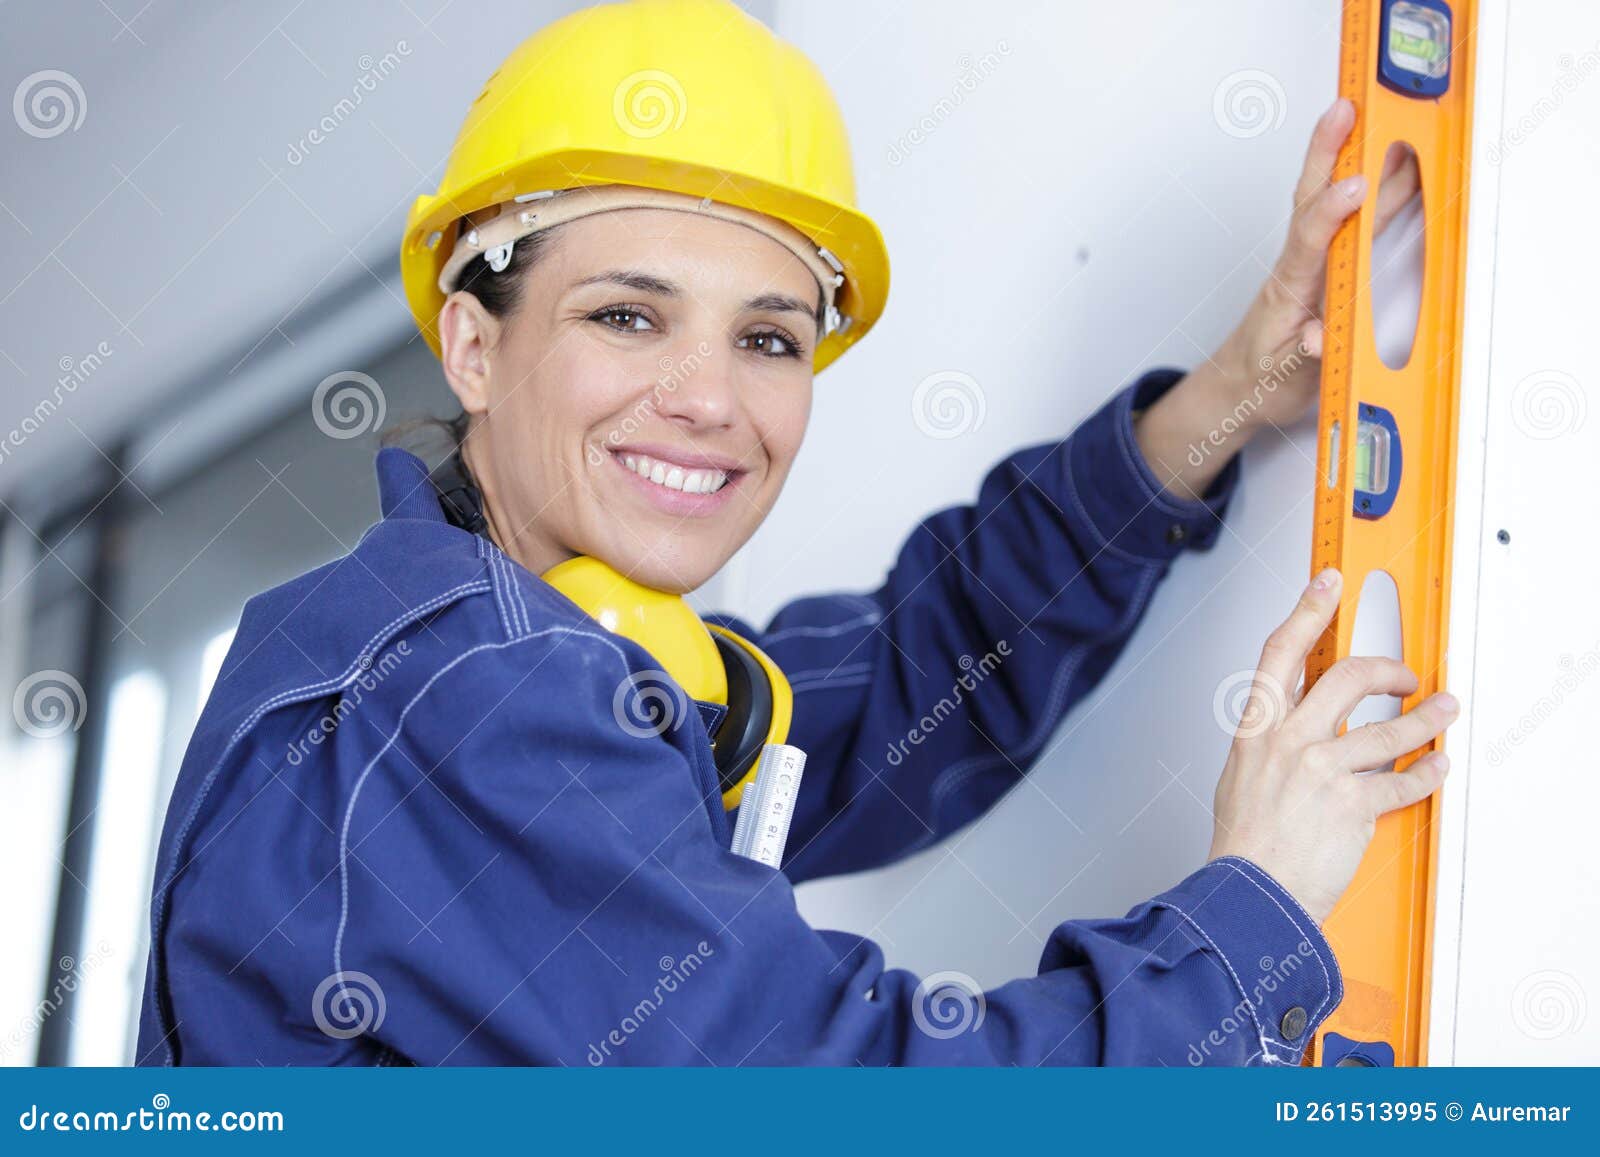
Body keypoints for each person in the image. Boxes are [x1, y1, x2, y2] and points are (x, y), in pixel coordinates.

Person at [138, 0, 1456, 1066]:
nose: (709, 399)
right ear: (473, 346)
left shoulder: (523, 652)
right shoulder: (462, 705)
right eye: (627, 316)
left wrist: (1223, 402)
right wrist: (1253, 909)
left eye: (768, 338)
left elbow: (915, 680)